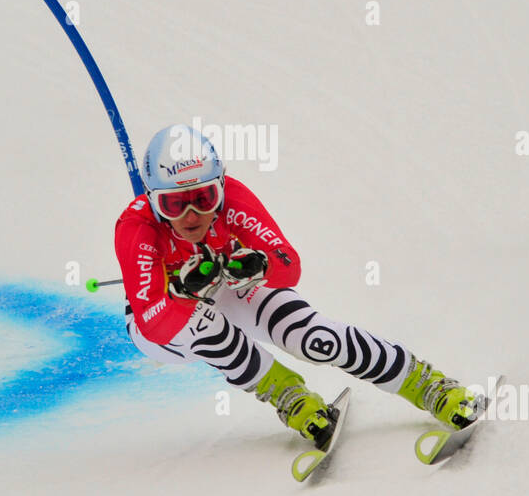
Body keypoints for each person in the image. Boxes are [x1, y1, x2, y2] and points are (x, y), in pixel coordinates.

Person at [114, 124, 480, 446]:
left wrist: (259, 264)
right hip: (164, 320)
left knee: (313, 338)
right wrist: (185, 292)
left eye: (203, 198)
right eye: (174, 204)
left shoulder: (233, 200)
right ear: (152, 198)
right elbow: (152, 323)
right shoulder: (137, 228)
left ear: (221, 187)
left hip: (227, 284)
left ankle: (425, 384)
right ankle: (287, 394)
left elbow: (289, 266)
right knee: (209, 327)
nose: (191, 215)